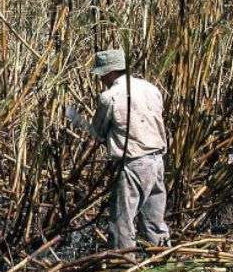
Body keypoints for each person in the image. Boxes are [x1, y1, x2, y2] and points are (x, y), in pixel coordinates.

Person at [66, 48, 170, 250]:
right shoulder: (150, 89)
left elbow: (98, 132)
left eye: (102, 75)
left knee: (122, 221)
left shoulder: (110, 97)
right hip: (157, 161)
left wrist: (76, 120)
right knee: (154, 219)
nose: (101, 79)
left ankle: (124, 266)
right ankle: (162, 258)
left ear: (110, 72)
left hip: (134, 164)